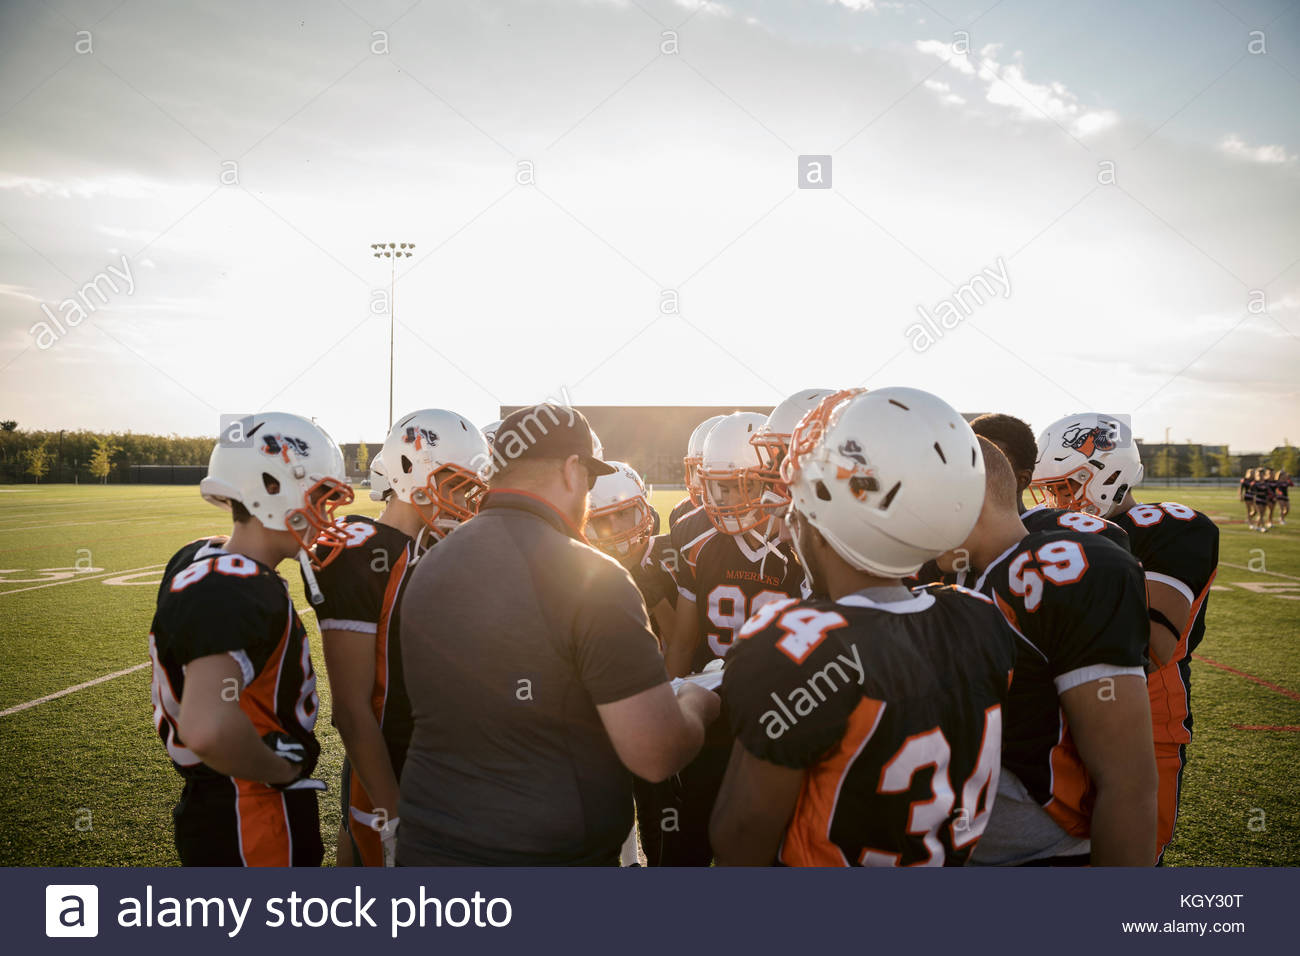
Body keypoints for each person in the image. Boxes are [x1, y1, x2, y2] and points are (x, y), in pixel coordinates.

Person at [396, 403, 719, 866]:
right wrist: (696, 704)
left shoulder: (430, 565)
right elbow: (654, 753)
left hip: (430, 852)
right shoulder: (591, 577)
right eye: (589, 481)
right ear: (573, 471)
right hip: (547, 858)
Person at [711, 388, 1019, 866]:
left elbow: (738, 838)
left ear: (827, 507)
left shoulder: (797, 644)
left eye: (797, 500)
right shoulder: (979, 618)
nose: (790, 524)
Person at [148, 412, 351, 866]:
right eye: (321, 496)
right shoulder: (234, 585)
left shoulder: (203, 556)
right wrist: (280, 772)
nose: (327, 513)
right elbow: (208, 728)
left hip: (228, 807)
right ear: (272, 488)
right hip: (250, 814)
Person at [945, 436, 1157, 866]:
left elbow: (1128, 781)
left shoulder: (1065, 568)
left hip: (1044, 857)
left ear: (962, 498)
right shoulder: (945, 568)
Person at [1031, 413, 1216, 864]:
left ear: (1106, 474)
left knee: (1126, 859)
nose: (1057, 500)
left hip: (1142, 713)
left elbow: (1149, 648)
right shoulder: (1045, 529)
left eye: (1065, 486)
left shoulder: (1167, 526)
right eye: (1051, 490)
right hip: (1053, 719)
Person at [308, 409, 490, 867]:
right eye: (454, 483)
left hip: (433, 763)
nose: (464, 500)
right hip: (390, 769)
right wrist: (392, 815)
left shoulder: (429, 550)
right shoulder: (363, 550)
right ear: (412, 470)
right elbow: (351, 710)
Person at [588, 460, 681, 866]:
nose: (618, 529)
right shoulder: (581, 570)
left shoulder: (670, 555)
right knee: (607, 803)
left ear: (644, 507)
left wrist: (657, 596)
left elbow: (683, 637)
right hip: (603, 708)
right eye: (604, 520)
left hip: (658, 701)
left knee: (663, 810)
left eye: (626, 512)